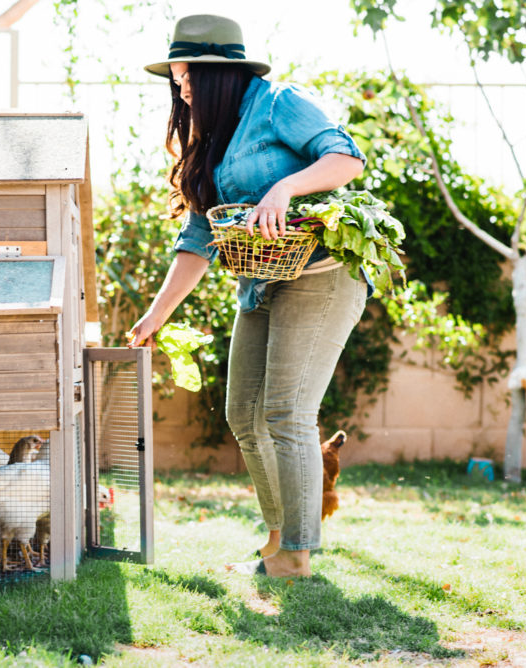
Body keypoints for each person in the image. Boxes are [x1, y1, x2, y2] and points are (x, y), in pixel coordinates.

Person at [128, 14, 369, 578]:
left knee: (286, 411)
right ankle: (279, 537)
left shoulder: (279, 103)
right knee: (244, 413)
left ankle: (296, 557)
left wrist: (285, 186)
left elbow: (345, 157)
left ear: (219, 74)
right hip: (262, 283)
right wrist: (155, 316)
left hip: (323, 274)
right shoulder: (210, 139)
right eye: (177, 79)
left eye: (188, 76)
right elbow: (198, 238)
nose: (181, 88)